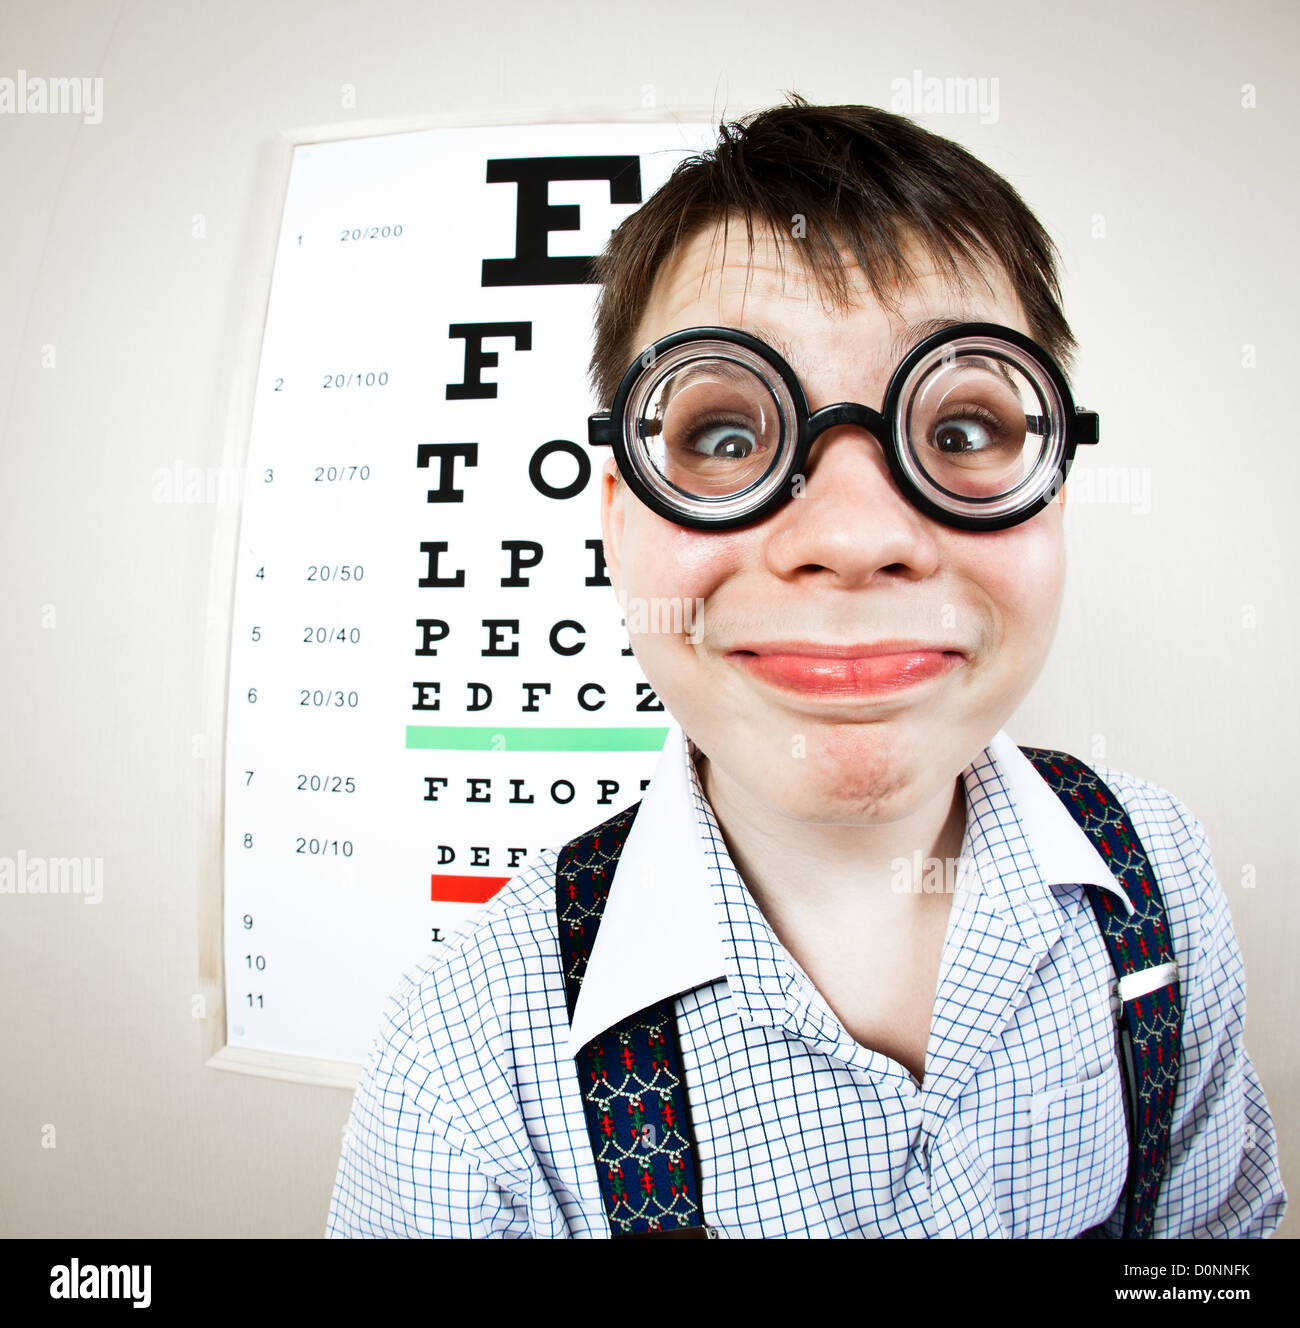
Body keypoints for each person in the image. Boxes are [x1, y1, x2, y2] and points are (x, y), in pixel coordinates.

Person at [326, 96, 1285, 1239]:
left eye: (962, 431)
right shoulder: (464, 1071)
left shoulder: (1161, 875)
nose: (851, 532)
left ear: (1054, 496)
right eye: (727, 437)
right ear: (620, 522)